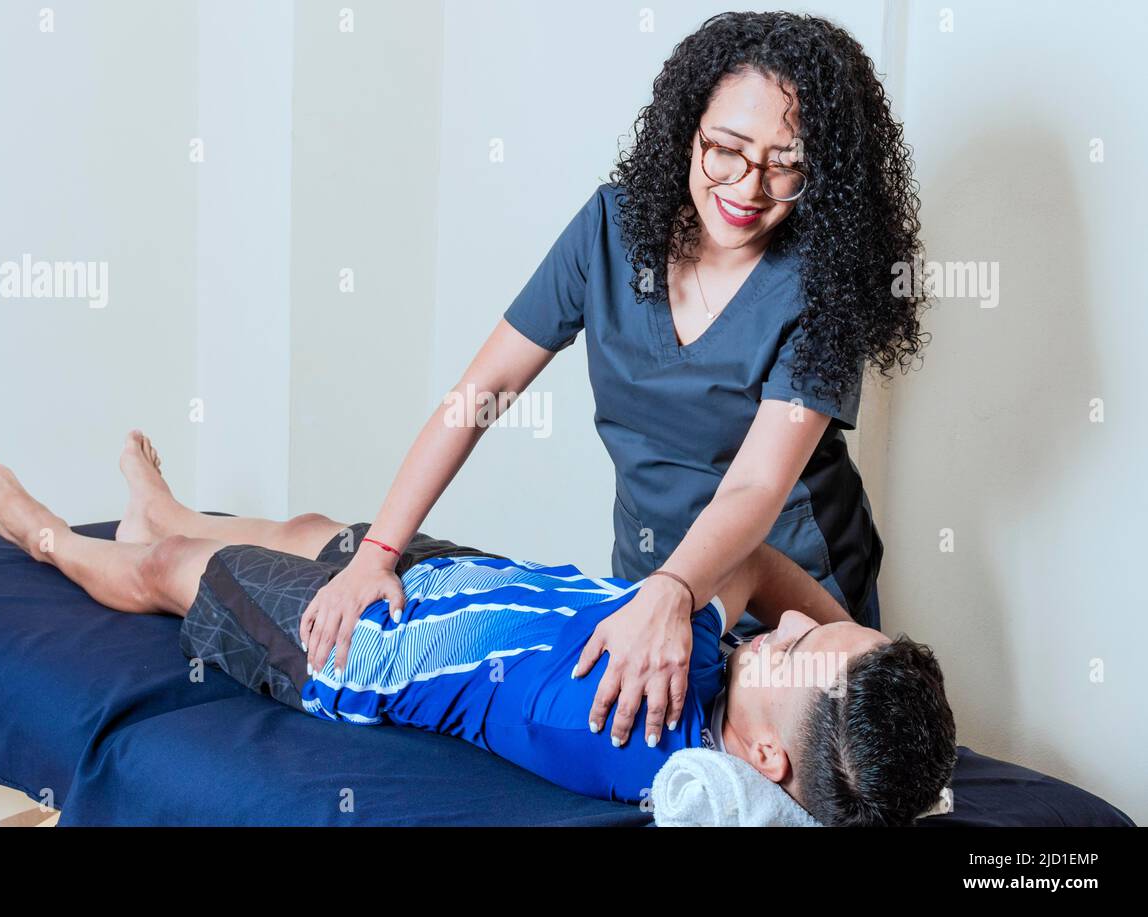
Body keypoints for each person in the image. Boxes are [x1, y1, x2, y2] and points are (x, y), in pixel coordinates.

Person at [300, 11, 930, 749]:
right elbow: (480, 394)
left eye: (786, 164)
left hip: (791, 601)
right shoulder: (610, 228)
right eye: (725, 150)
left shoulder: (823, 284)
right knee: (329, 546)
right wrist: (376, 555)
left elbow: (755, 487)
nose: (748, 187)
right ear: (688, 126)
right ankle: (169, 521)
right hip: (648, 582)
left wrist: (676, 591)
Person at [0, 433, 956, 825]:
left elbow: (745, 565)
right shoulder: (716, 662)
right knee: (314, 529)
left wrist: (704, 602)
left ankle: (45, 532)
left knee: (176, 575)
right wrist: (836, 637)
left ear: (768, 754)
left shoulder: (652, 715)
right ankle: (168, 503)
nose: (781, 624)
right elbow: (756, 566)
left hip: (357, 648)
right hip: (457, 577)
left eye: (792, 648)